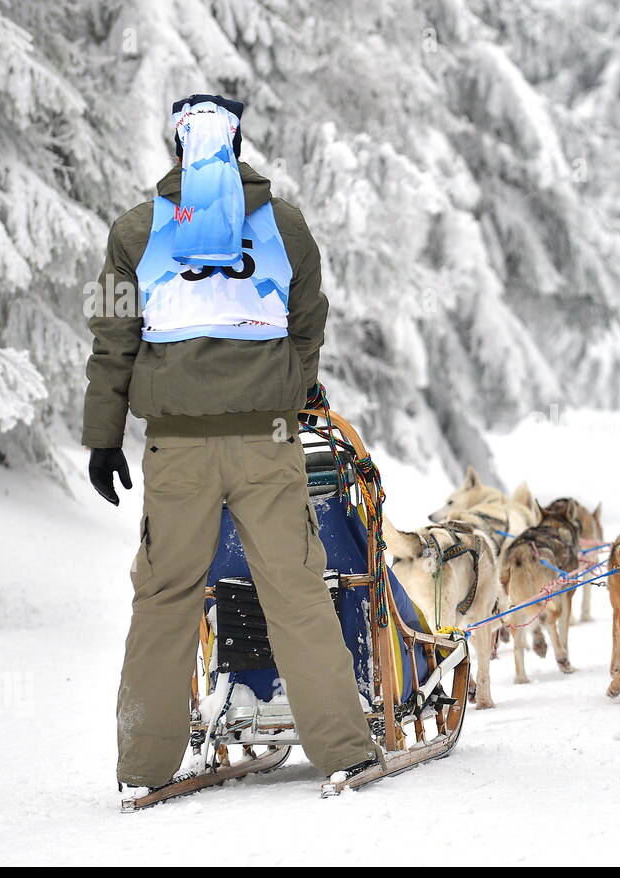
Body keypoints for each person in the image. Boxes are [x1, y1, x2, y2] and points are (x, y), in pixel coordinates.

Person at [82, 94, 378, 800]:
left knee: (164, 597)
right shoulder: (285, 227)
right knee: (297, 591)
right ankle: (343, 749)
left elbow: (113, 339)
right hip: (268, 441)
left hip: (175, 448)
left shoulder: (133, 232)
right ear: (237, 146)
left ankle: (142, 769)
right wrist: (291, 391)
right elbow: (308, 323)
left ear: (177, 147)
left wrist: (102, 438)